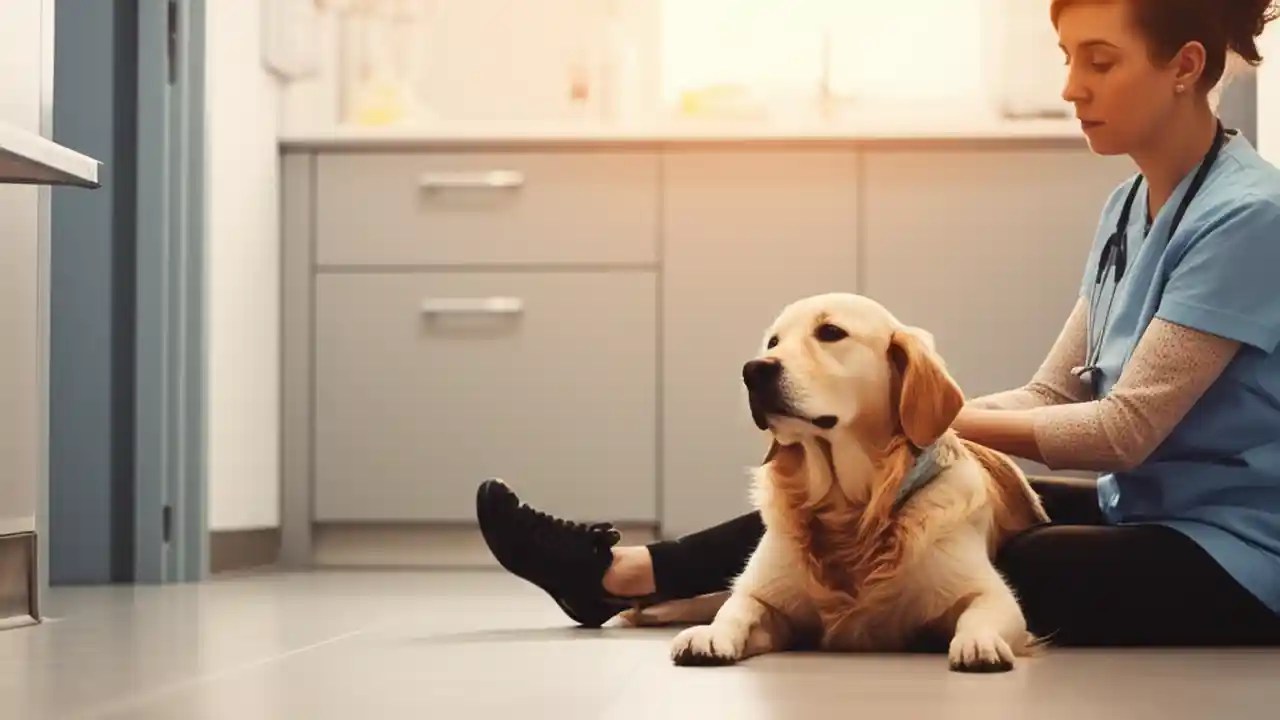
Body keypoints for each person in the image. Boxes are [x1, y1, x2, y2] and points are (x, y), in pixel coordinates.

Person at [475, 0, 1280, 647]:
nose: (1073, 87)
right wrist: (909, 441)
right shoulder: (1127, 207)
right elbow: (1048, 390)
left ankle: (742, 601)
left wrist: (912, 412)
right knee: (910, 500)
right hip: (1139, 508)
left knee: (1014, 558)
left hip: (1240, 549)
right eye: (1067, 60)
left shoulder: (1246, 217)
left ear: (1185, 67)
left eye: (1099, 61)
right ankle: (623, 572)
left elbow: (1125, 429)